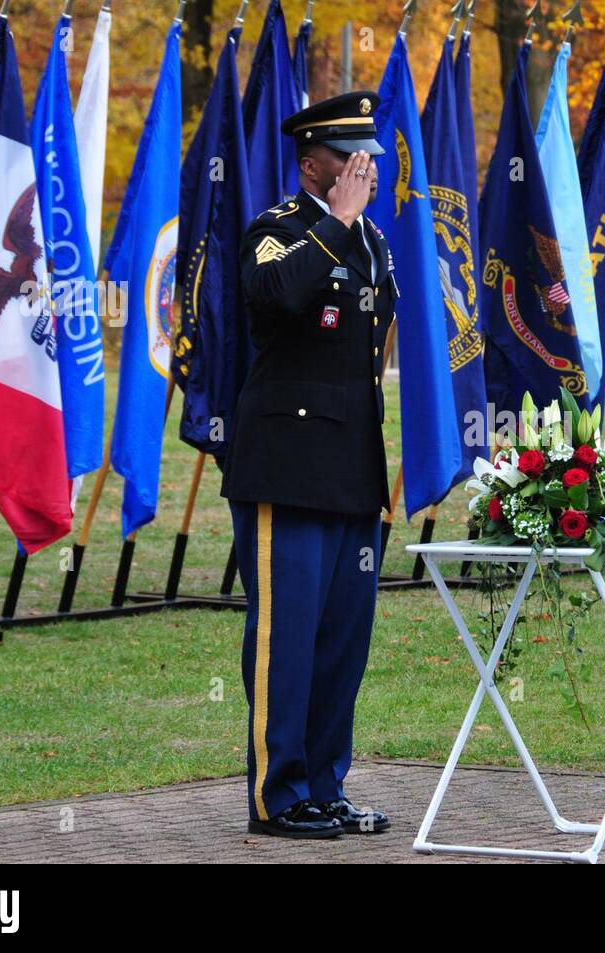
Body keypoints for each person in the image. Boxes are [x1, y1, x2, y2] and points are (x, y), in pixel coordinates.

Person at [223, 91, 395, 839]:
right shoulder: (277, 231)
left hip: (353, 467)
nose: (366, 168)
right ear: (311, 163)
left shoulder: (373, 243)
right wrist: (336, 221)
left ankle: (324, 784)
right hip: (287, 467)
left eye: (371, 158)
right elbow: (276, 293)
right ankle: (277, 795)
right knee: (284, 637)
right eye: (351, 157)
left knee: (339, 641)